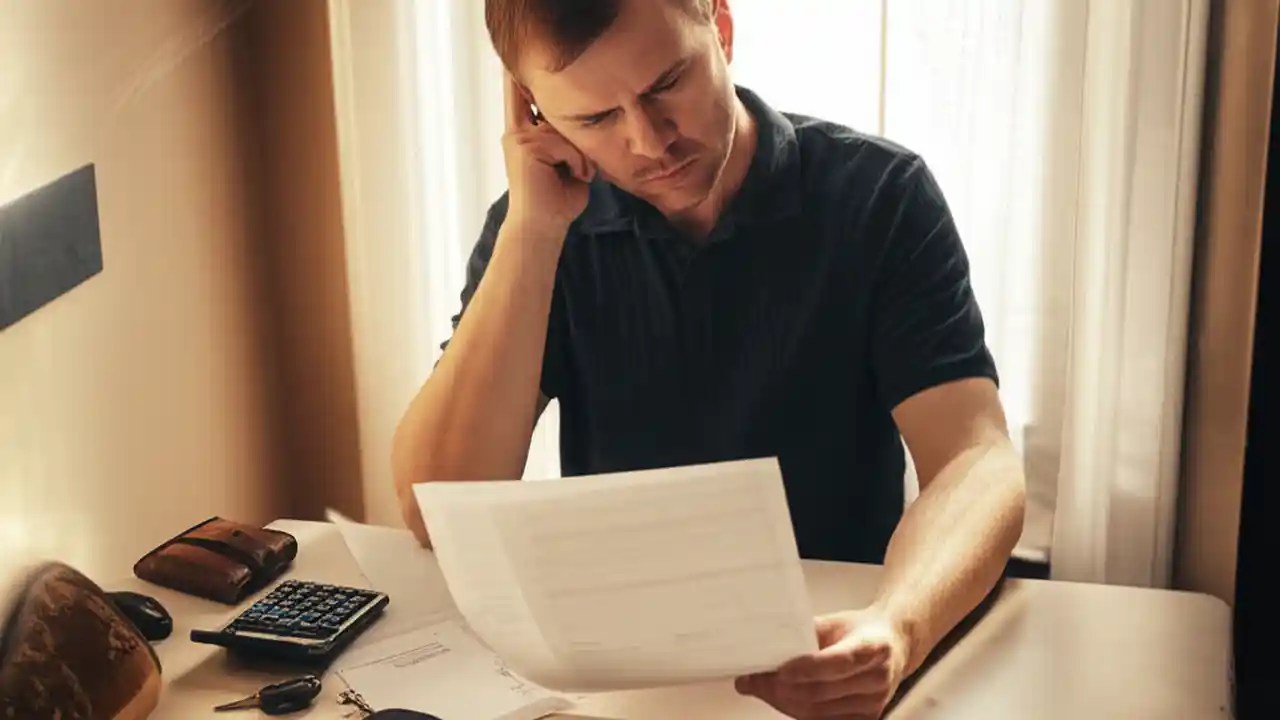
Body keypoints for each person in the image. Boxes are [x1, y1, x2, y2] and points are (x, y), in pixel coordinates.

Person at [392, 0, 1026, 717]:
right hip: (629, 681)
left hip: (828, 656)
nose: (649, 141)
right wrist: (534, 231)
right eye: (595, 119)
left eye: (666, 86)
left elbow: (977, 460)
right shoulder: (536, 226)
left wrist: (900, 624)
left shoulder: (880, 195)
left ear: (720, 28)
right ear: (536, 113)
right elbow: (431, 506)